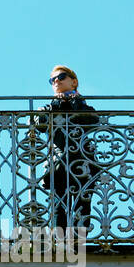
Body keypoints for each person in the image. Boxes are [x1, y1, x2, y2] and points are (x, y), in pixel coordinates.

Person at [28, 65, 103, 232]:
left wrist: (73, 101)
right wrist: (57, 104)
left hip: (83, 162)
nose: (56, 81)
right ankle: (60, 246)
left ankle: (78, 246)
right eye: (52, 79)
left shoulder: (84, 106)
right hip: (58, 163)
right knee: (58, 209)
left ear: (74, 82)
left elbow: (92, 121)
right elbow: (36, 123)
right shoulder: (49, 107)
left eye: (61, 77)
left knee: (82, 209)